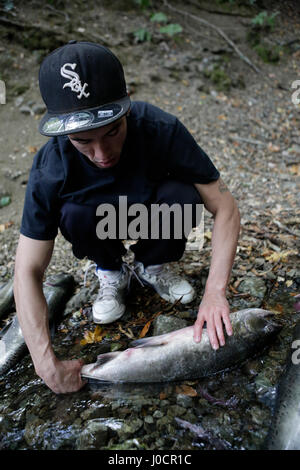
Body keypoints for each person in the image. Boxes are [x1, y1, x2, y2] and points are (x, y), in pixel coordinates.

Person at [13, 41, 240, 394]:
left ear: (126, 109)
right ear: (63, 131)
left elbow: (225, 207)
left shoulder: (160, 128)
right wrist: (46, 365)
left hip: (153, 216)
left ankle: (155, 266)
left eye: (112, 131)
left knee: (181, 195)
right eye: (82, 140)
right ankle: (111, 271)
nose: (101, 153)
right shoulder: (50, 168)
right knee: (72, 212)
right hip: (93, 226)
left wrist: (215, 292)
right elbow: (26, 270)